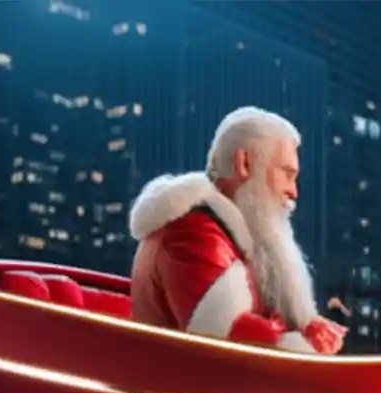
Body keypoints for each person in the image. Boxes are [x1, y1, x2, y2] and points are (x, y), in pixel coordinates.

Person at [128, 106, 345, 354]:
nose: (293, 192)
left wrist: (307, 327)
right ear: (244, 163)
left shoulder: (226, 235)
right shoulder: (194, 235)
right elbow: (227, 342)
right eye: (287, 174)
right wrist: (307, 347)